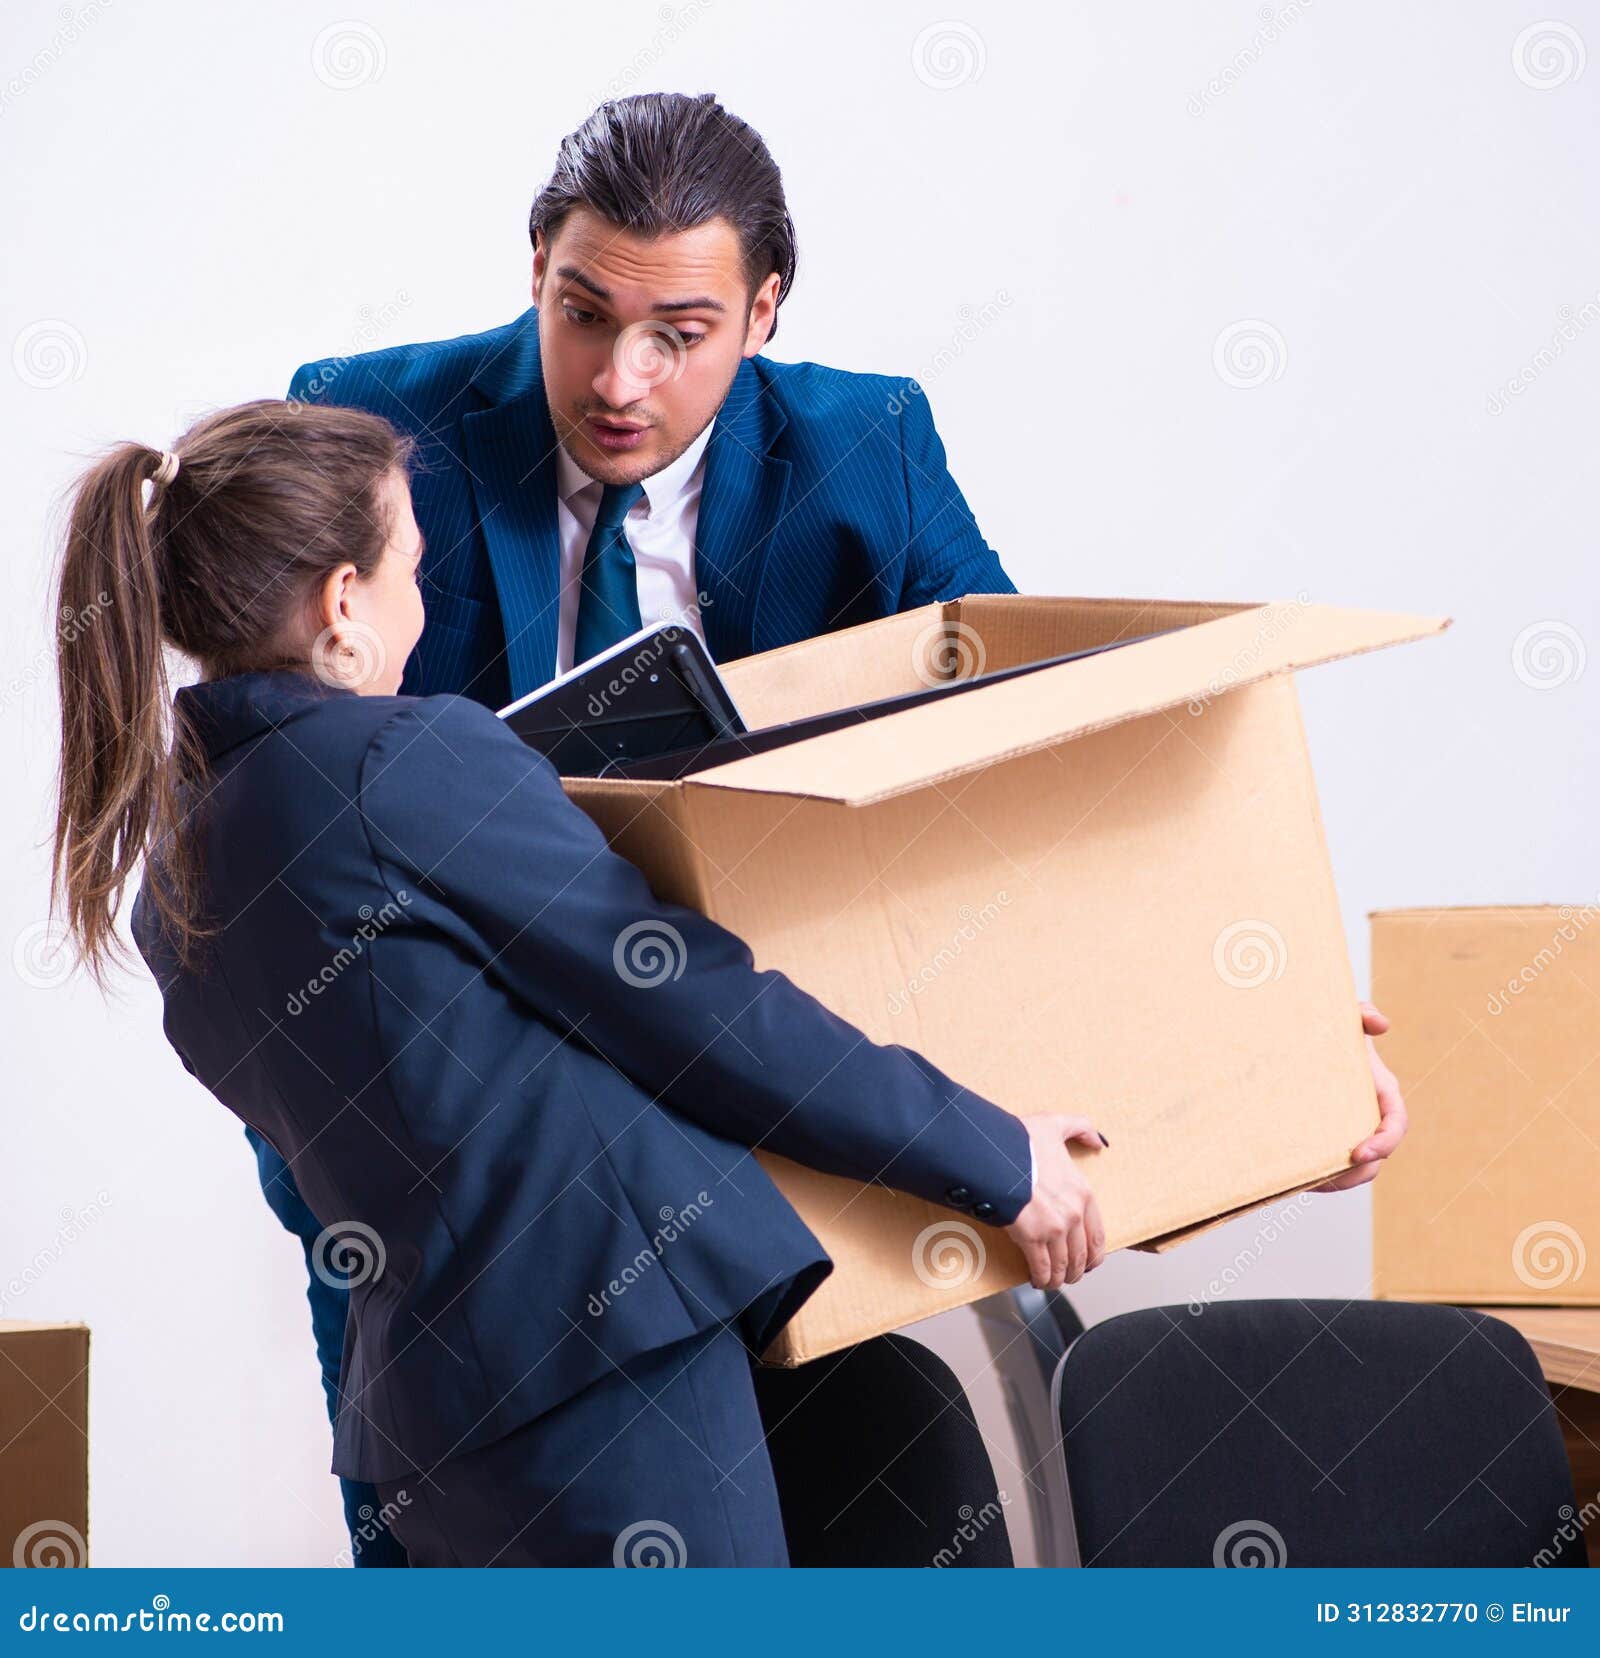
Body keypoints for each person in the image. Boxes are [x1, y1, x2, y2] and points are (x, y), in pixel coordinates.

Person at [256, 91, 1411, 1554]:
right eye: (581, 311)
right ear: (535, 264)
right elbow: (286, 800)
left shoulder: (867, 446)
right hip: (460, 1153)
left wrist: (1267, 1009)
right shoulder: (376, 429)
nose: (620, 377)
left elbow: (1032, 766)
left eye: (681, 330)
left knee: (810, 1517)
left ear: (766, 311)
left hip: (775, 1093)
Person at [49, 399, 1114, 1565]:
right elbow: (693, 1005)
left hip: (429, 1425)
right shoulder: (399, 758)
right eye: (412, 567)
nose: (423, 604)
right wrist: (993, 1155)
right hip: (602, 1376)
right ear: (341, 601)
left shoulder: (172, 878)